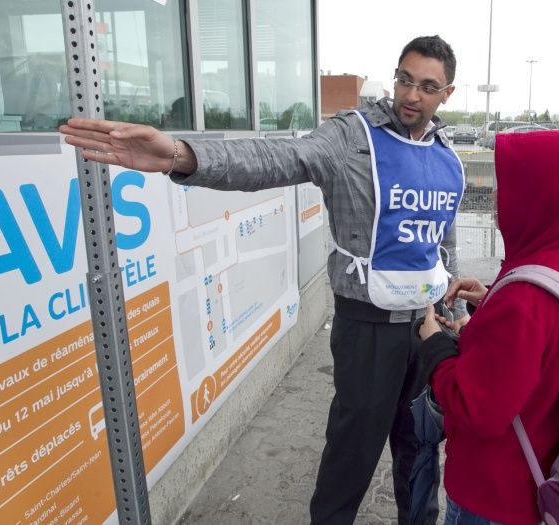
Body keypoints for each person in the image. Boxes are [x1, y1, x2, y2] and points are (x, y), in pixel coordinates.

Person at [60, 35, 467, 525]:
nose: (410, 94)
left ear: (446, 94)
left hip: (428, 332)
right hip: (368, 331)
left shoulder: (448, 158)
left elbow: (442, 240)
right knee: (350, 459)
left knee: (421, 452)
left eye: (427, 86)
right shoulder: (350, 137)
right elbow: (274, 160)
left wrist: (453, 309)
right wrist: (180, 156)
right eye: (405, 79)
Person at [416, 130, 559, 524]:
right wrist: (491, 296)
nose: (496, 198)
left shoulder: (522, 301)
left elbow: (477, 410)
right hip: (535, 467)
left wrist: (435, 347)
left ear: (536, 198)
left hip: (494, 495)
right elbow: (541, 341)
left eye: (507, 186)